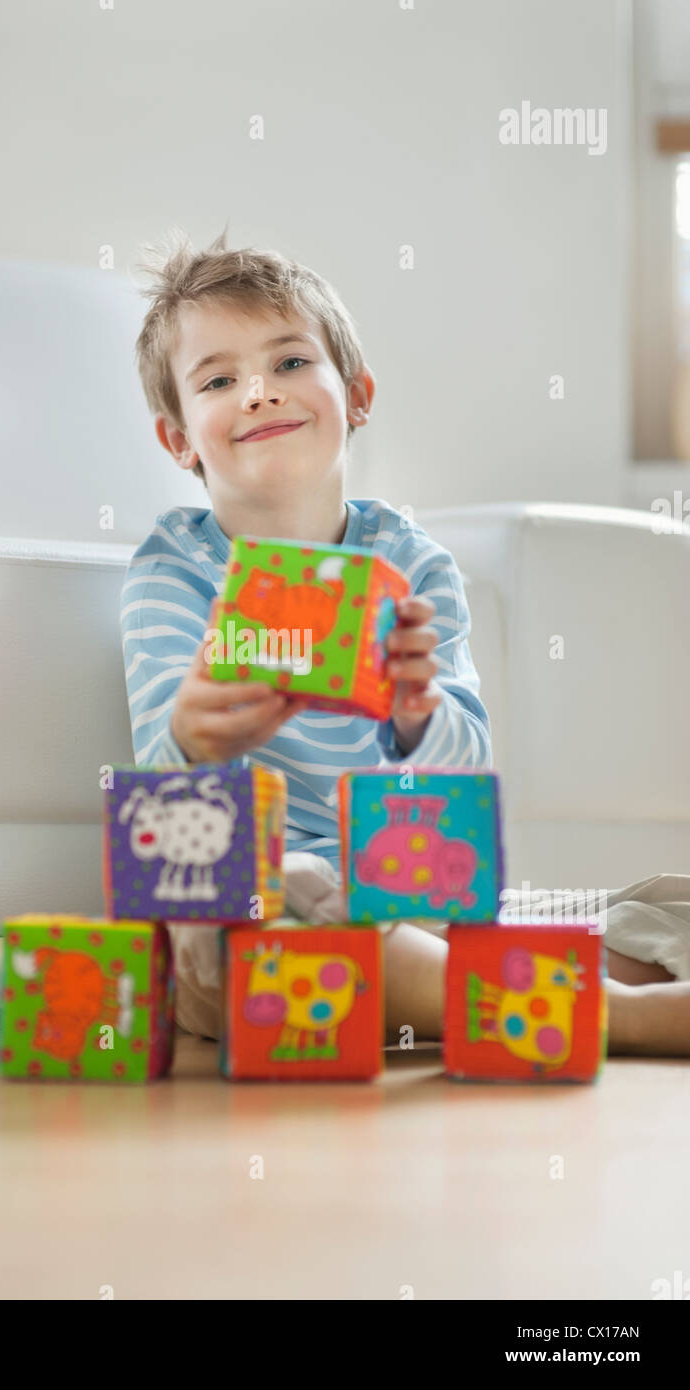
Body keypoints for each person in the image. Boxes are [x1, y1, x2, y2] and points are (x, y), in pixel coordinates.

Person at [121, 226, 690, 1057]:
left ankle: (474, 989)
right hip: (254, 900)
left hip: (412, 896)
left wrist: (419, 714)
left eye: (289, 362)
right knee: (268, 919)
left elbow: (465, 782)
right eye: (218, 379)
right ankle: (605, 1015)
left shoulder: (411, 564)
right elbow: (161, 816)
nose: (259, 392)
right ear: (179, 440)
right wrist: (191, 736)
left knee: (665, 910)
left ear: (355, 396)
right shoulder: (174, 571)